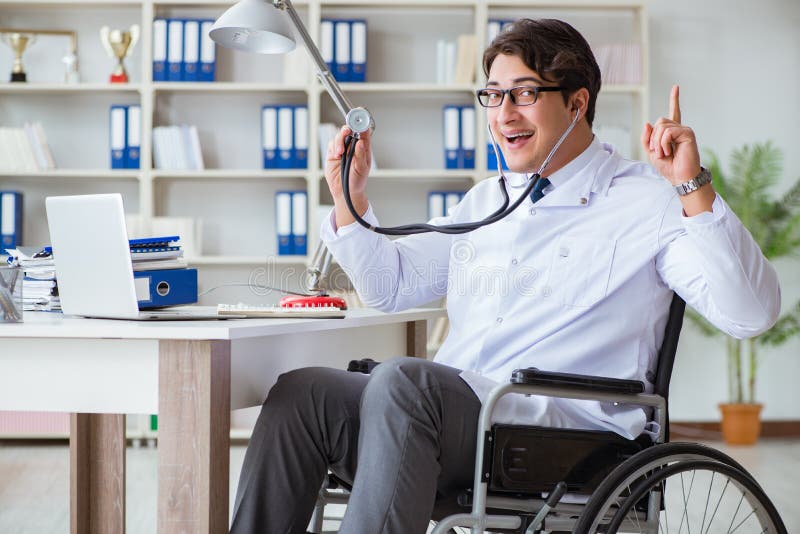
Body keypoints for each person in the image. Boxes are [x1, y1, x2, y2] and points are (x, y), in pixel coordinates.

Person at [230, 18, 780, 534]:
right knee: (302, 393)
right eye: (493, 95)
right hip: (455, 418)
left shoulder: (646, 201)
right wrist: (349, 199)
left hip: (558, 433)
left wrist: (692, 187)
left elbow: (750, 314)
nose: (503, 113)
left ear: (577, 102)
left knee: (407, 382)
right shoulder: (488, 199)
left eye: (524, 93)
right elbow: (389, 286)